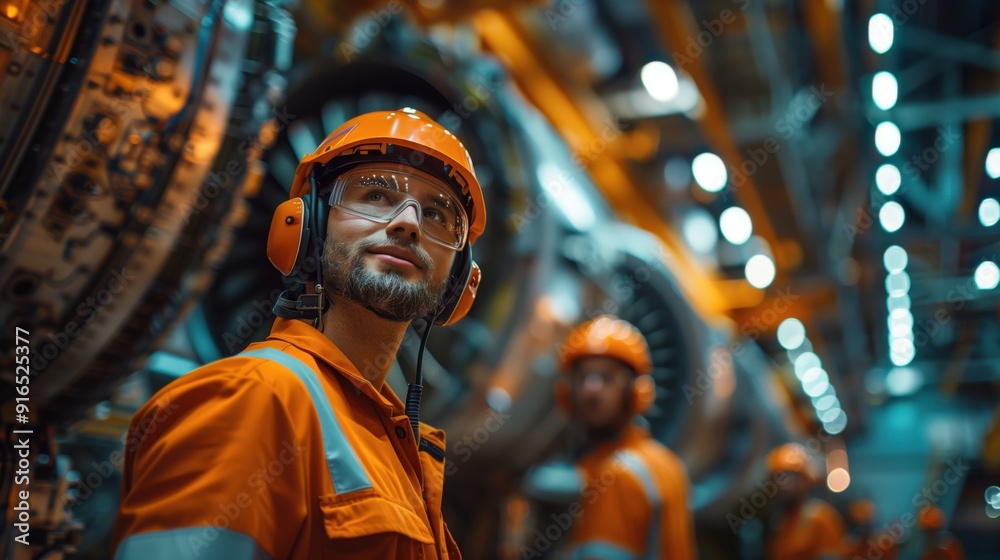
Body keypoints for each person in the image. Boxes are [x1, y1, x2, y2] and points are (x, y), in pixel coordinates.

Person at [111, 108, 486, 559]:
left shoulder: (396, 446)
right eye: (376, 195)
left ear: (459, 277)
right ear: (308, 224)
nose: (408, 223)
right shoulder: (251, 399)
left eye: (438, 215)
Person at [555, 315, 697, 559]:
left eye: (606, 377)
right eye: (583, 377)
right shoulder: (667, 463)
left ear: (637, 392)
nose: (591, 389)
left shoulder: (616, 475)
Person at [764, 443, 849, 560]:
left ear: (803, 481)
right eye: (775, 479)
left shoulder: (821, 518)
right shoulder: (780, 523)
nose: (780, 486)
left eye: (785, 478)